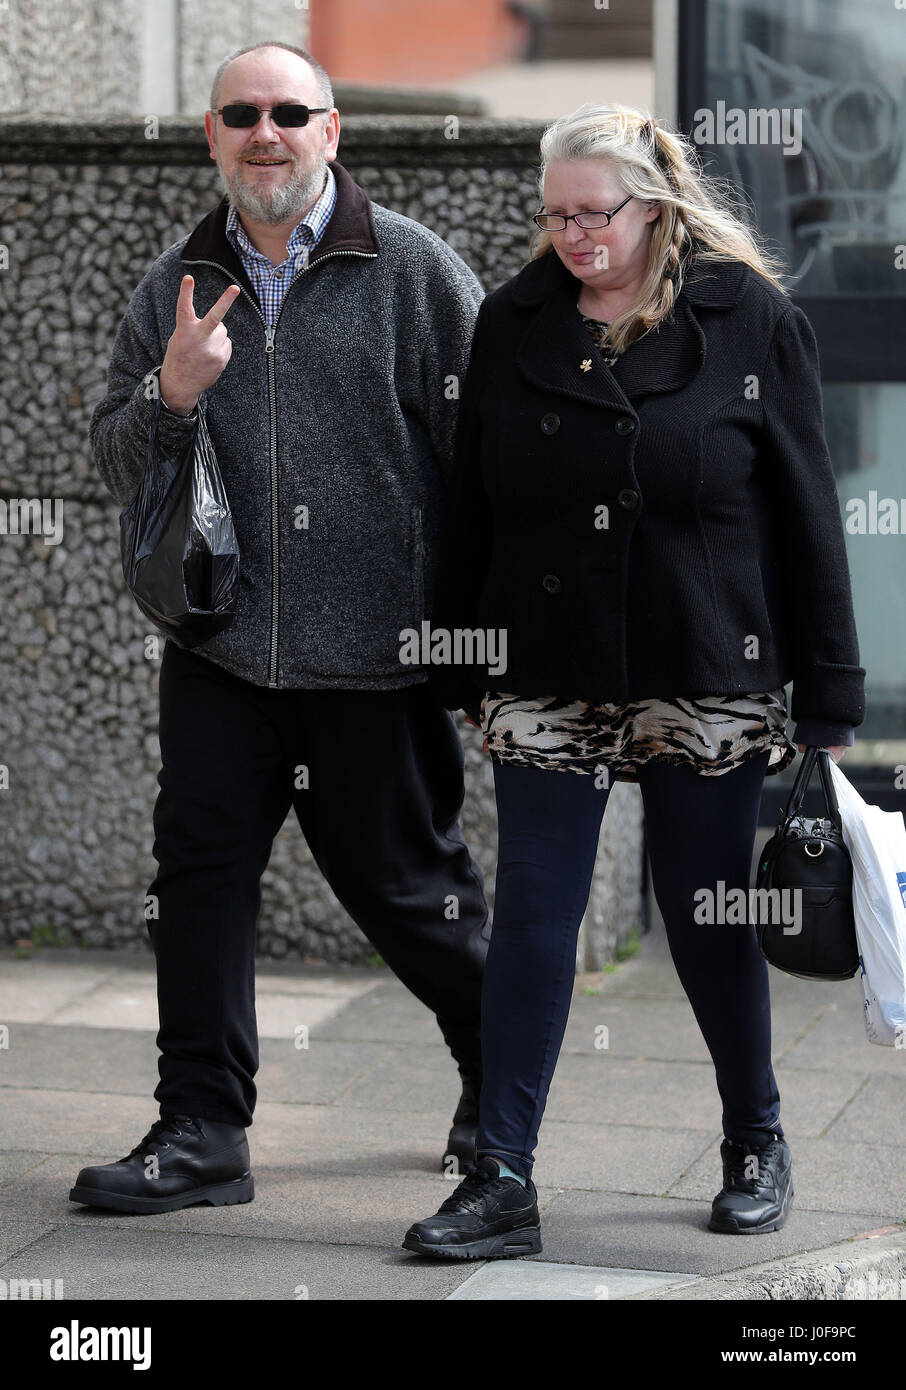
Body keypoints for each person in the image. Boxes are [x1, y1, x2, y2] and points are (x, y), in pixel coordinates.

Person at [402, 103, 865, 1260]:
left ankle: (755, 1139)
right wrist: (460, 651)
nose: (571, 236)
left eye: (593, 214)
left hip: (705, 663)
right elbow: (473, 503)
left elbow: (808, 513)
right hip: (547, 666)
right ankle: (501, 1174)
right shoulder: (515, 320)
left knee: (706, 916)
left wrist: (831, 695)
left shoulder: (748, 315)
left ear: (652, 206)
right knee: (535, 919)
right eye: (555, 214)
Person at [76, 41, 490, 1215]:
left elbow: (483, 470)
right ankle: (200, 1127)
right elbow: (115, 460)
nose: (267, 132)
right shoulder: (173, 285)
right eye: (241, 115)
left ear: (331, 130)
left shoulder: (412, 271)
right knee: (198, 883)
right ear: (212, 136)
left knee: (410, 893)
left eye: (289, 113)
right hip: (216, 652)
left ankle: (497, 1078)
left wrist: (472, 643)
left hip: (375, 661)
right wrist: (173, 392)